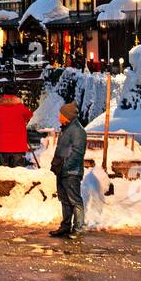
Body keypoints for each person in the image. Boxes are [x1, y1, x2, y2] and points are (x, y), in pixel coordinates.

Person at [49, 102, 86, 238]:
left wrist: (65, 166)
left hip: (71, 172)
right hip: (63, 170)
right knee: (64, 200)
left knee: (75, 200)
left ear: (67, 116)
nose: (59, 116)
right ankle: (65, 226)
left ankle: (78, 227)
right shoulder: (67, 128)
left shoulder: (77, 131)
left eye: (61, 114)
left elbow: (78, 153)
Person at [0, 86, 33, 166]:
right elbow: (29, 115)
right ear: (16, 94)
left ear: (4, 93)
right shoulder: (21, 107)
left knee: (4, 173)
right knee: (18, 172)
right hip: (18, 146)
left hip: (3, 145)